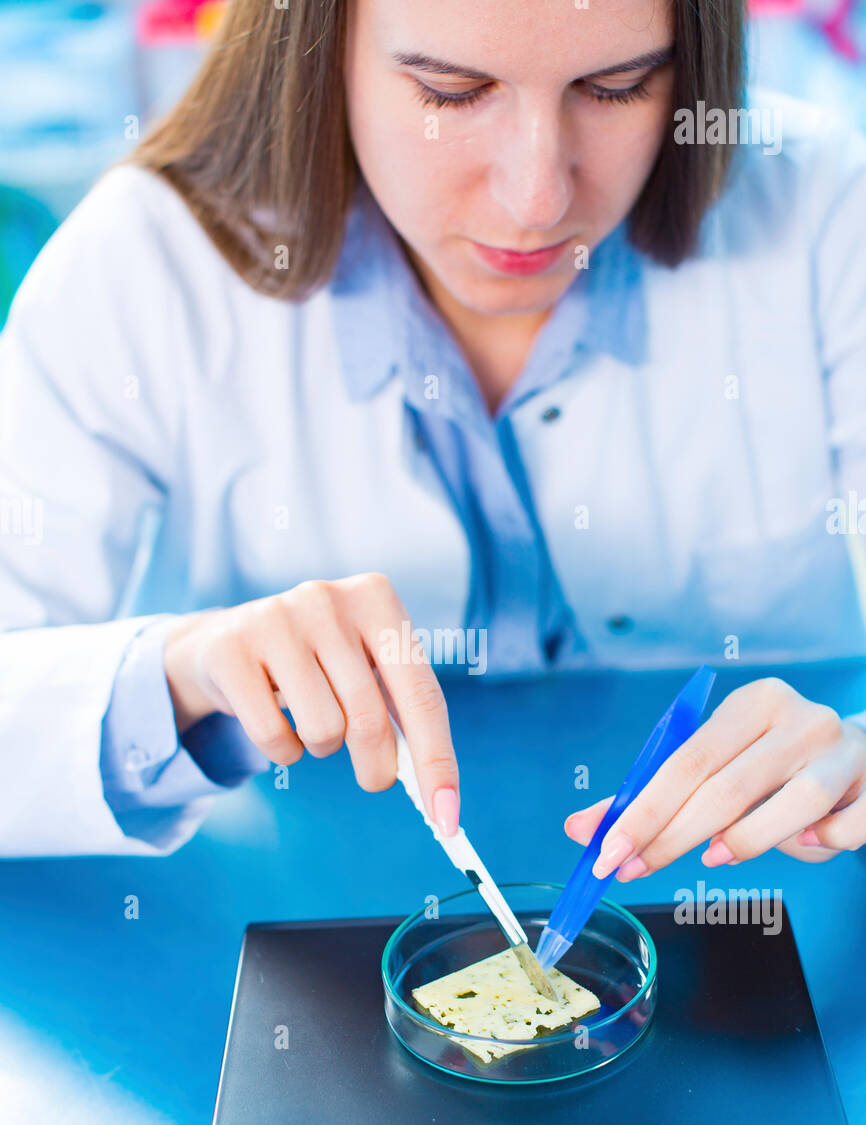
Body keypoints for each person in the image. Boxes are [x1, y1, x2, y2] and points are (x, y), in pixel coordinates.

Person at [1, 0, 865, 873]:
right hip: (287, 922)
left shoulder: (829, 208)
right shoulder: (147, 261)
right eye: (450, 92)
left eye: (617, 87)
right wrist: (182, 672)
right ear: (318, 49)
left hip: (776, 908)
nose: (538, 198)